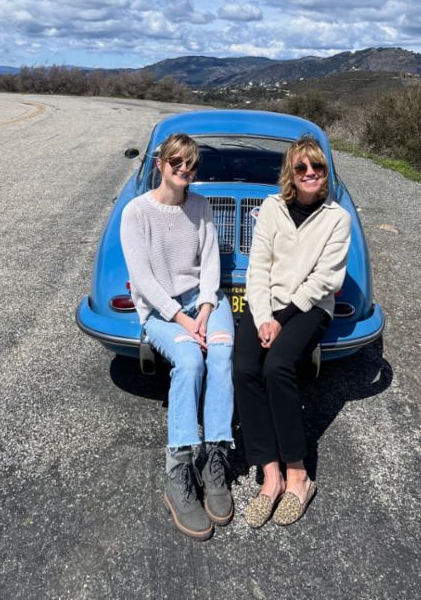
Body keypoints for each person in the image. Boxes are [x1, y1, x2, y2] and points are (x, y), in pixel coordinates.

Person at [120, 133, 235, 541]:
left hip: (204, 303)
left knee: (221, 353)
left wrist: (204, 312)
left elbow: (210, 264)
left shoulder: (201, 206)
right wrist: (184, 323)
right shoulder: (136, 213)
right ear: (160, 164)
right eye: (176, 162)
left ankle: (215, 459)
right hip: (162, 311)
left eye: (191, 164)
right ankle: (179, 469)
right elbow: (144, 281)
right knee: (189, 361)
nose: (184, 170)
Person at [233, 135, 351, 528]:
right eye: (301, 168)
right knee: (244, 367)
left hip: (308, 307)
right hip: (267, 303)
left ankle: (299, 476)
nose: (310, 173)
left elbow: (325, 280)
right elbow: (258, 266)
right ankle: (270, 474)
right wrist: (263, 314)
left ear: (325, 172)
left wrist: (279, 321)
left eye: (316, 167)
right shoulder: (271, 208)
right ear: (291, 173)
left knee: (277, 367)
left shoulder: (338, 218)